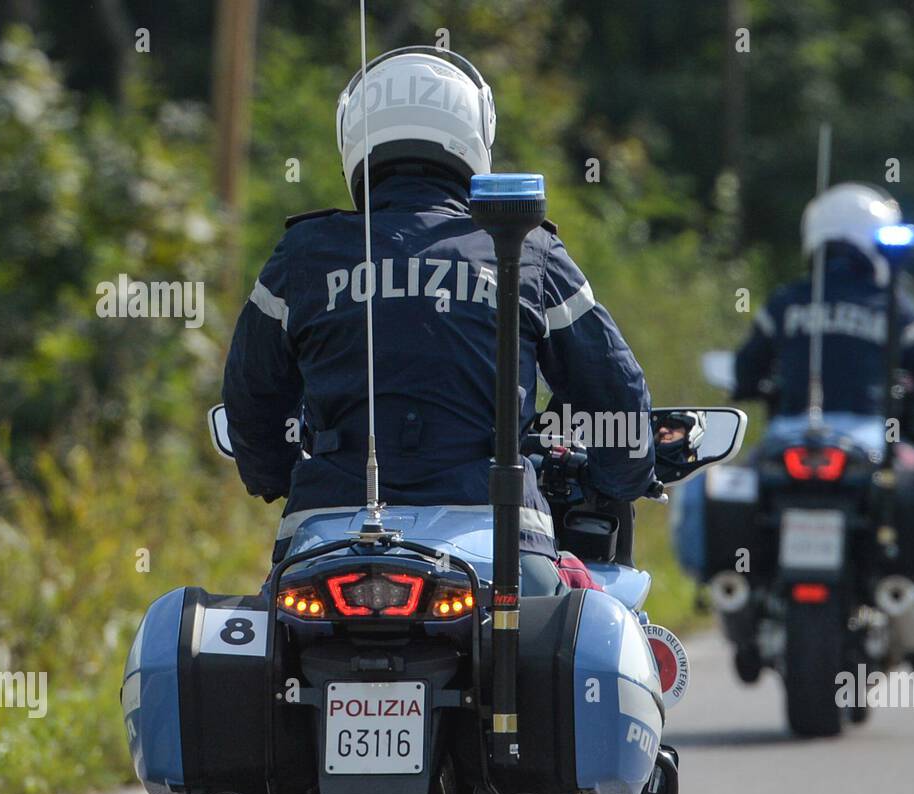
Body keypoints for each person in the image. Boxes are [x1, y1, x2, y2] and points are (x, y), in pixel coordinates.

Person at [222, 47, 654, 565]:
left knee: (280, 639)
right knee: (594, 625)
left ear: (354, 138)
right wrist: (615, 480)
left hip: (328, 531)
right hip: (504, 539)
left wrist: (273, 472)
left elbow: (251, 398)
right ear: (476, 131)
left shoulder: (304, 254)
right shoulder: (525, 247)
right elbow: (615, 392)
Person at [732, 183, 914, 444]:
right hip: (868, 437)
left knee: (734, 477)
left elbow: (747, 367)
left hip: (788, 435)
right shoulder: (895, 306)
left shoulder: (784, 302)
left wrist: (752, 387)